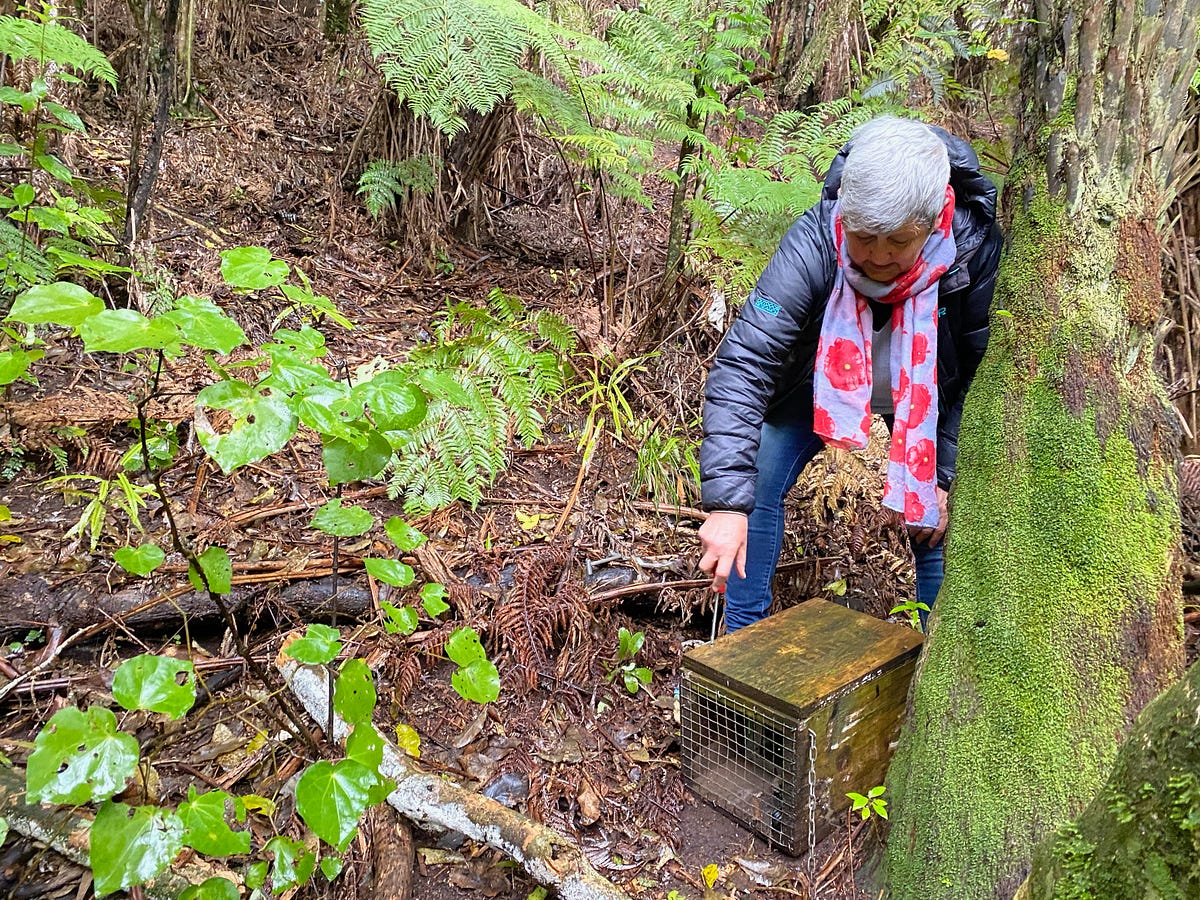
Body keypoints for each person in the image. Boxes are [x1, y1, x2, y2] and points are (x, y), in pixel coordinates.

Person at [697, 115, 1002, 632]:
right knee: (761, 478)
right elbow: (747, 362)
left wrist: (945, 476)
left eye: (898, 241)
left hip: (928, 398)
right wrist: (726, 504)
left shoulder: (972, 251)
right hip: (821, 381)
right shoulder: (816, 241)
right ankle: (739, 644)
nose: (878, 258)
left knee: (930, 516)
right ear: (844, 214)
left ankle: (933, 666)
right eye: (864, 238)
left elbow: (978, 369)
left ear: (935, 218)